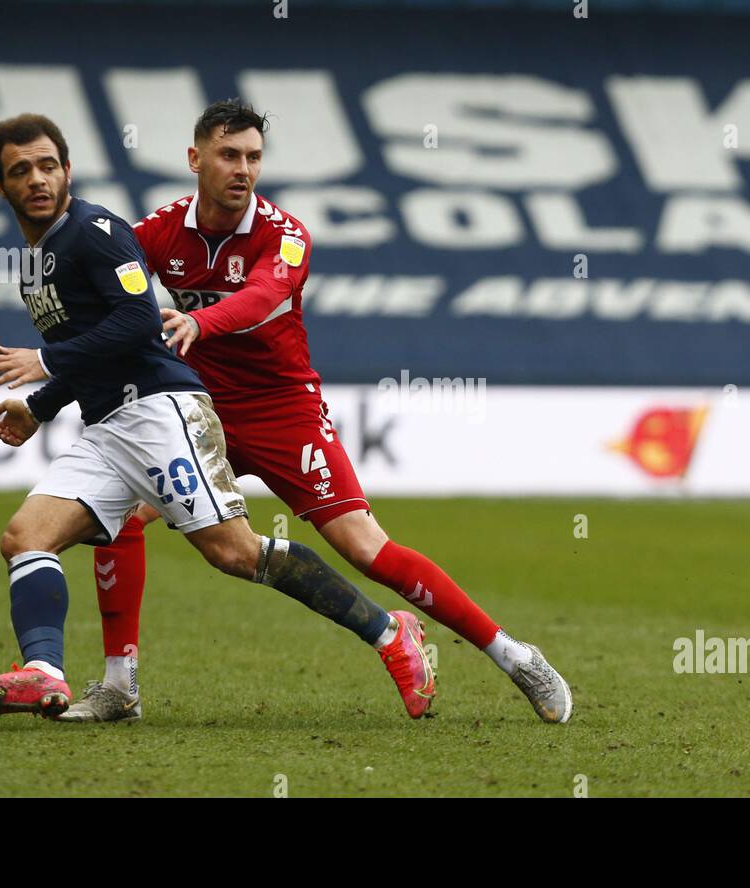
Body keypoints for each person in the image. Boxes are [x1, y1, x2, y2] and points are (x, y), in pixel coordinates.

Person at [59, 101, 571, 726]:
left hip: (283, 412)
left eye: (253, 157)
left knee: (365, 548)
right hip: (198, 411)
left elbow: (261, 298)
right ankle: (120, 684)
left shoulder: (287, 234)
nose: (242, 168)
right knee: (117, 517)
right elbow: (118, 307)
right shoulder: (157, 233)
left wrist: (197, 318)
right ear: (195, 160)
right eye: (228, 155)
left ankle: (515, 656)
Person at [0, 113, 435, 721]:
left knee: (234, 553)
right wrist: (39, 408)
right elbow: (101, 349)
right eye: (21, 171)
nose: (38, 179)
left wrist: (44, 364)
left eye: (49, 165)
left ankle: (389, 634)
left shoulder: (97, 230)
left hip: (160, 412)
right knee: (24, 539)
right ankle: (44, 672)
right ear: (0, 185)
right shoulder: (38, 260)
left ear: (68, 170)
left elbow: (134, 323)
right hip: (109, 427)